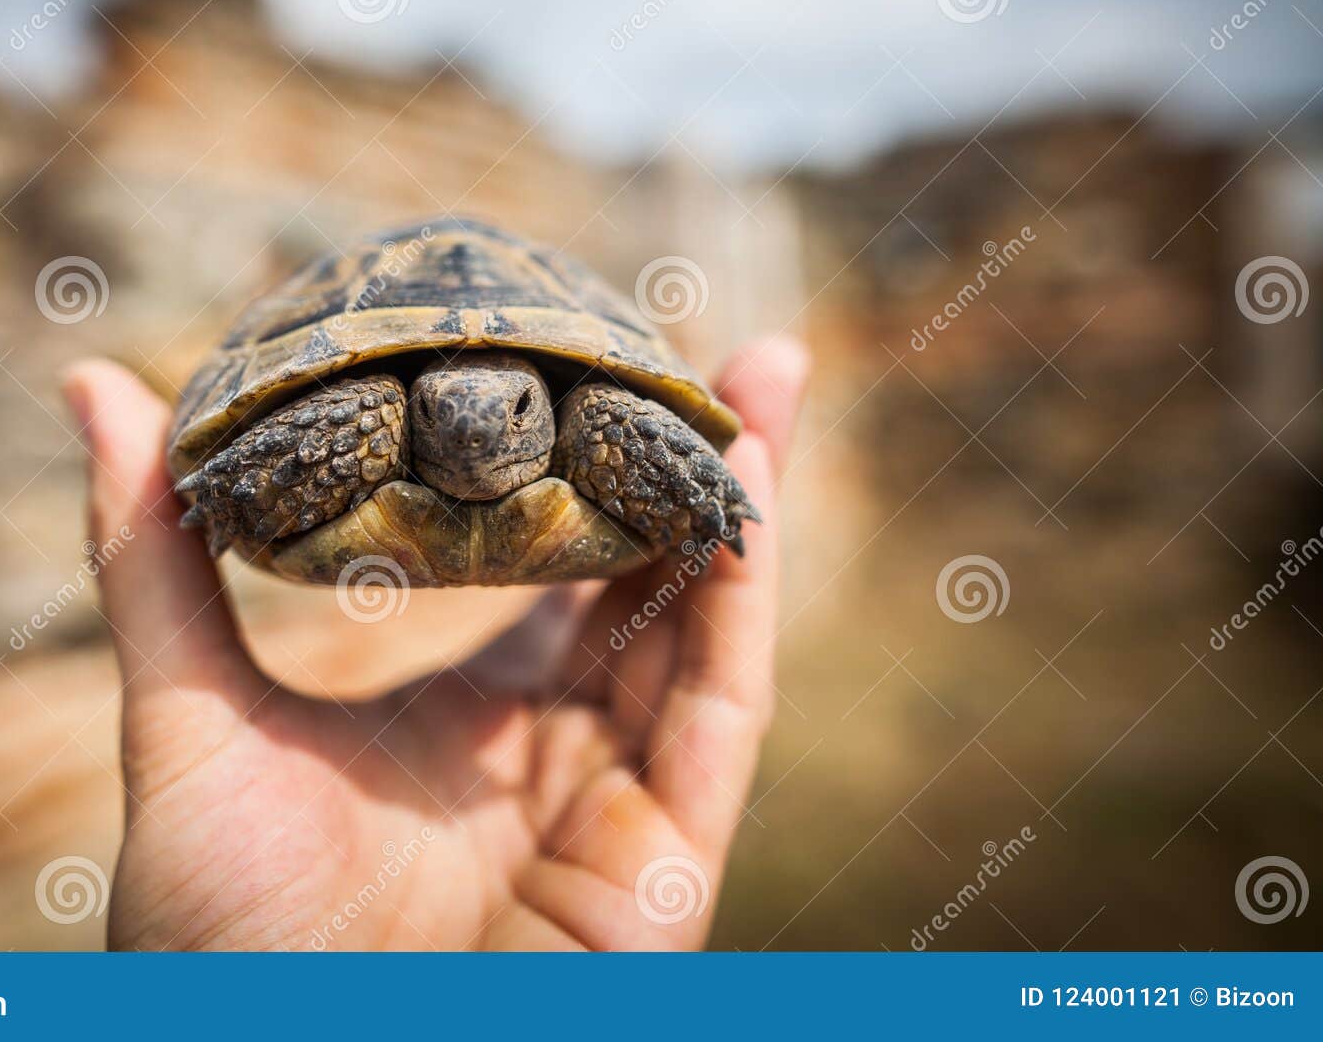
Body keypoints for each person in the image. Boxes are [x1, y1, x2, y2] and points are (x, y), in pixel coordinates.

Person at [61, 336, 810, 950]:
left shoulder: (592, 415)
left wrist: (696, 491)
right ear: (417, 411)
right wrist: (250, 480)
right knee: (364, 414)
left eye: (516, 411)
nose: (474, 434)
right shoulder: (374, 413)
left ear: (541, 406)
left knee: (617, 422)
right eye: (441, 415)